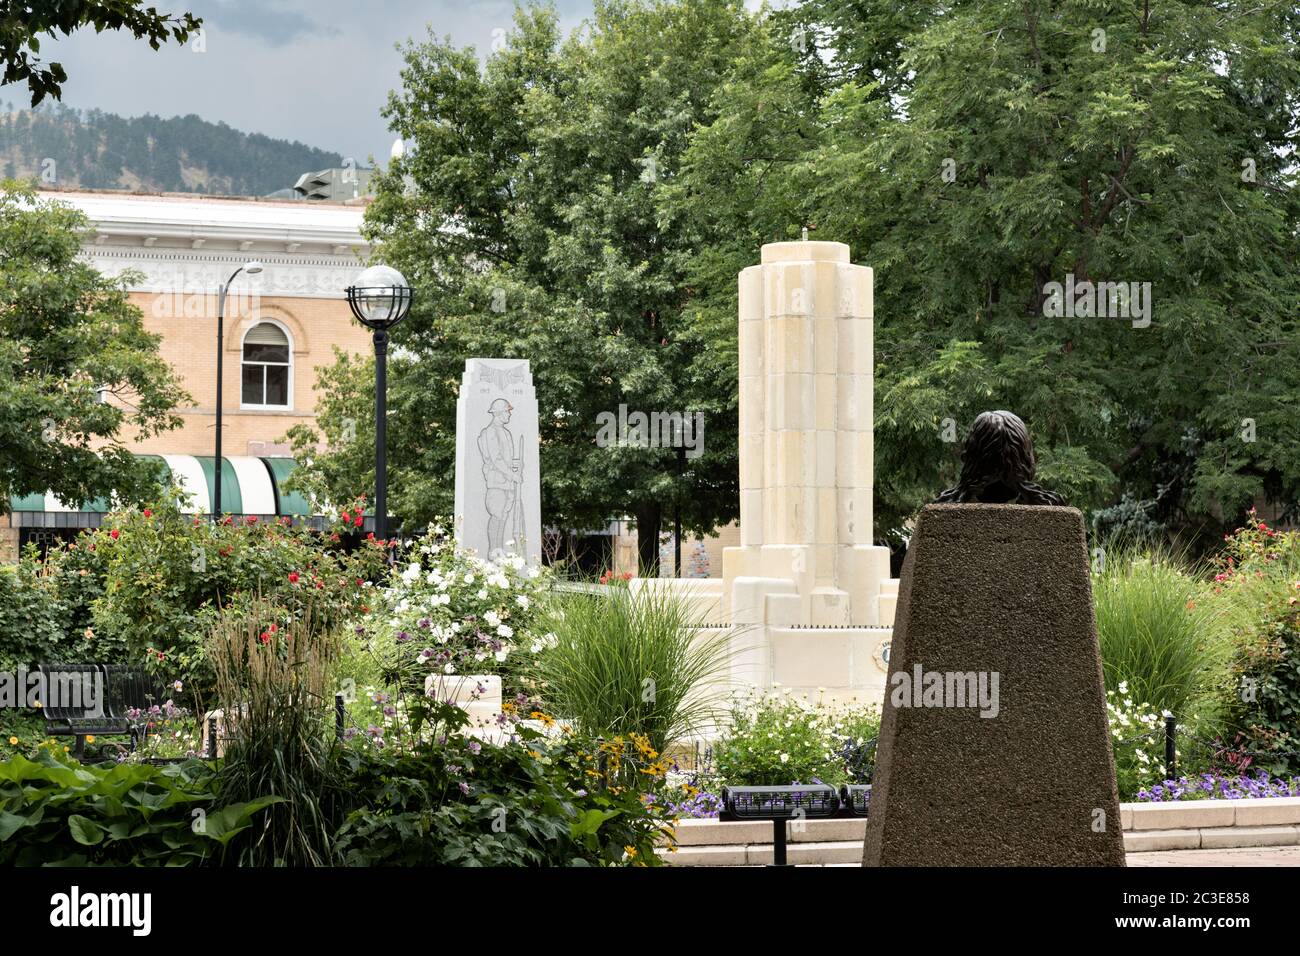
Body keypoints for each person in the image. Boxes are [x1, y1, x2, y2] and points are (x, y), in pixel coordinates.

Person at [477, 398, 522, 556]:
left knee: (503, 516)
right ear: (498, 413)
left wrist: (515, 468)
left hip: (507, 482)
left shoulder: (505, 432)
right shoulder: (490, 431)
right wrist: (511, 474)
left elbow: (506, 459)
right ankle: (492, 549)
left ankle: (499, 549)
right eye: (506, 411)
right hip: (496, 481)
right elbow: (495, 459)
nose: (509, 414)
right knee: (496, 515)